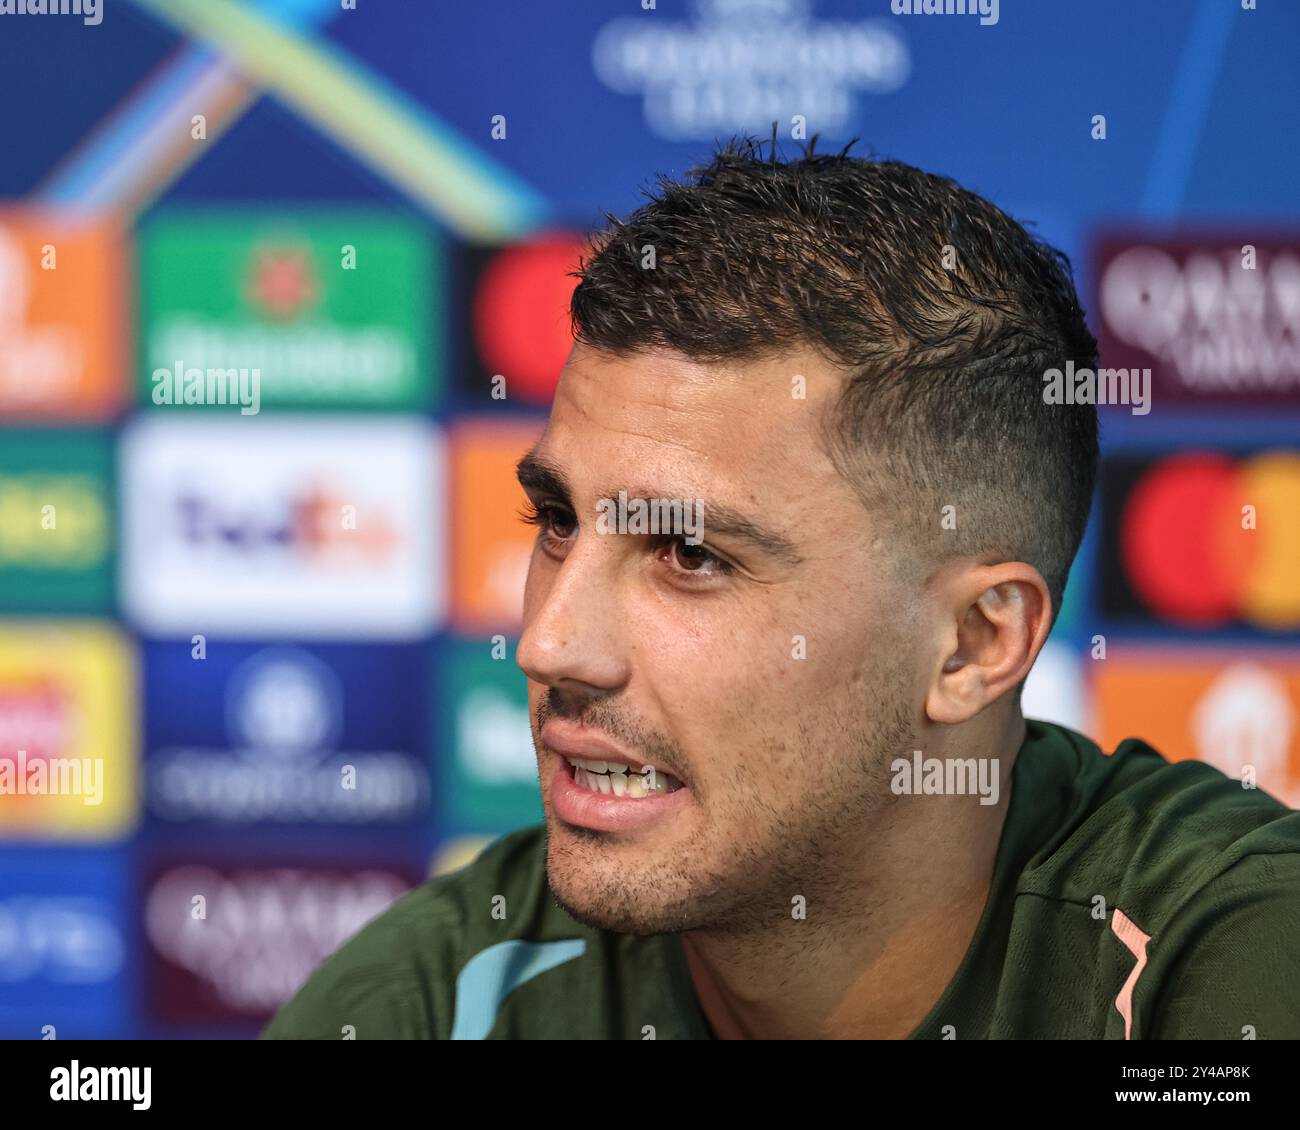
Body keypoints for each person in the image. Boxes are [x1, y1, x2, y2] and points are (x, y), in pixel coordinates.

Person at [263, 138, 1300, 1040]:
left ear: (975, 644)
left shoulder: (1230, 957)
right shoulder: (442, 994)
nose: (548, 643)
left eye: (689, 555)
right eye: (558, 522)